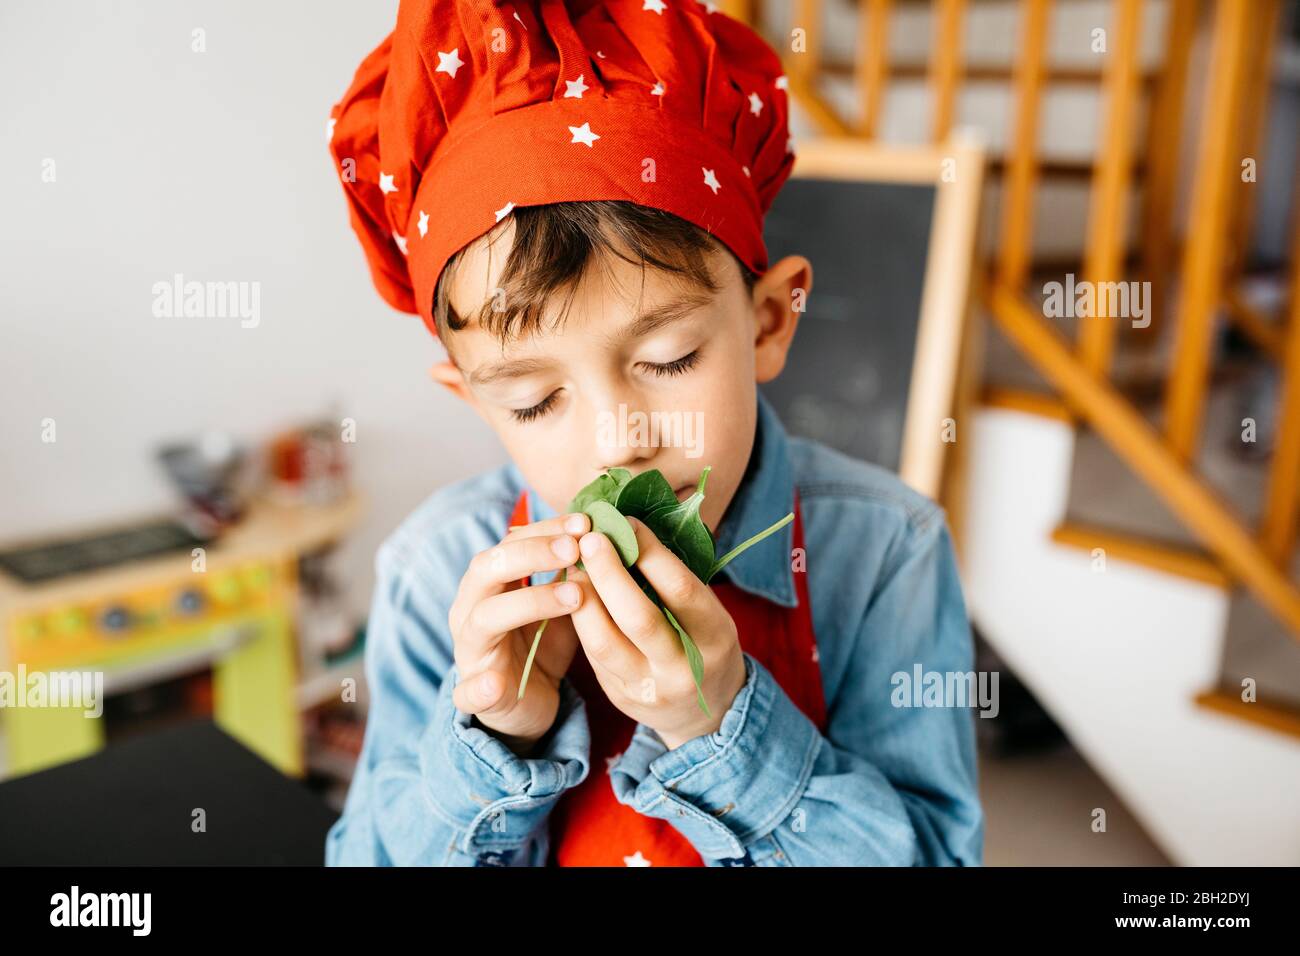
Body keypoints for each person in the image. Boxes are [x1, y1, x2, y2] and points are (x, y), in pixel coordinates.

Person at [324, 0, 983, 866]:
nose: (617, 441)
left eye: (670, 358)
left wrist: (720, 728)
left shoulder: (887, 552)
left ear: (769, 323)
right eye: (531, 400)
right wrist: (495, 740)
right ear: (473, 399)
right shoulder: (433, 567)